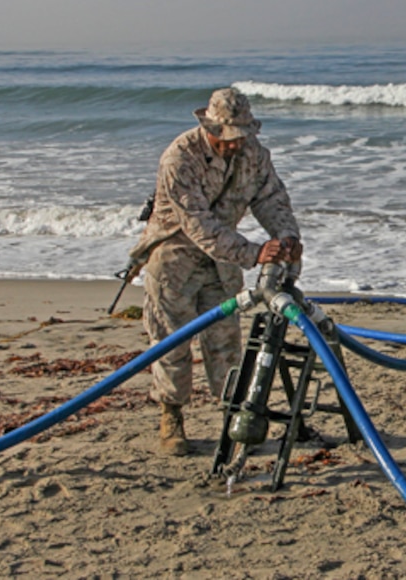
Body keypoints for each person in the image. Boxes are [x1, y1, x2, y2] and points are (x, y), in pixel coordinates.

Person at [127, 88, 302, 456]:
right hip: (174, 259)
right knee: (171, 342)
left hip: (223, 263)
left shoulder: (254, 154)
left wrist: (286, 238)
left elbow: (271, 198)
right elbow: (199, 226)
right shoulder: (179, 158)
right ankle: (171, 417)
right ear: (209, 128)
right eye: (227, 138)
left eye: (240, 138)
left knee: (225, 343)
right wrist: (254, 253)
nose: (234, 145)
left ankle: (233, 418)